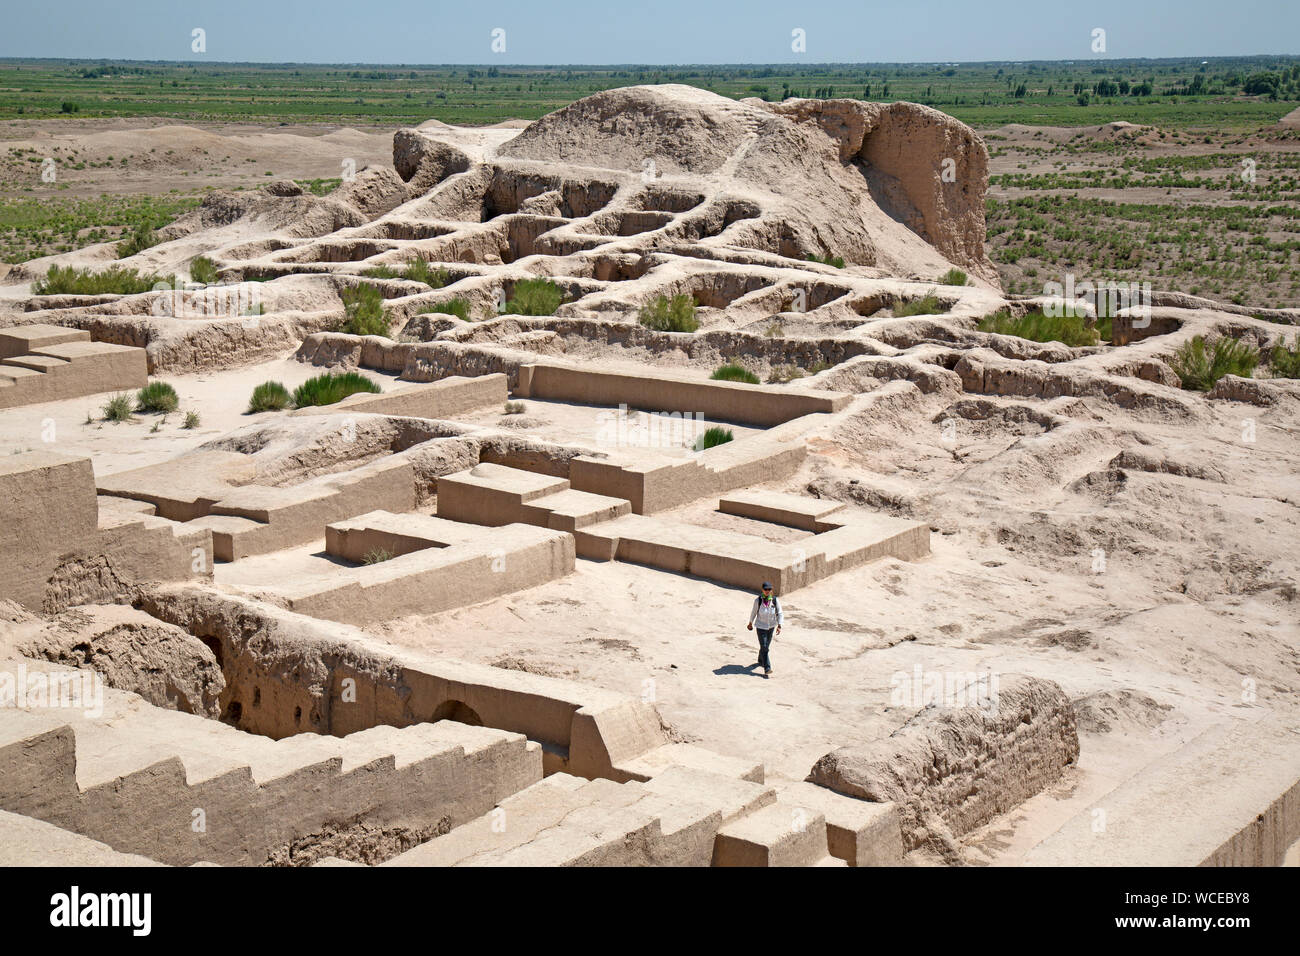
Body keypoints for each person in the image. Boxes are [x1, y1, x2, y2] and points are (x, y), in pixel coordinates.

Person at [746, 581, 783, 678]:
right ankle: (767, 668)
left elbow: (780, 613)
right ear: (762, 590)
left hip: (771, 627)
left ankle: (761, 659)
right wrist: (750, 622)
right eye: (765, 589)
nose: (767, 591)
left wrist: (779, 625)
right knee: (765, 647)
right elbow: (753, 612)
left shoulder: (775, 600)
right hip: (760, 627)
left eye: (769, 589)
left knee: (765, 646)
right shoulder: (758, 601)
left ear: (771, 590)